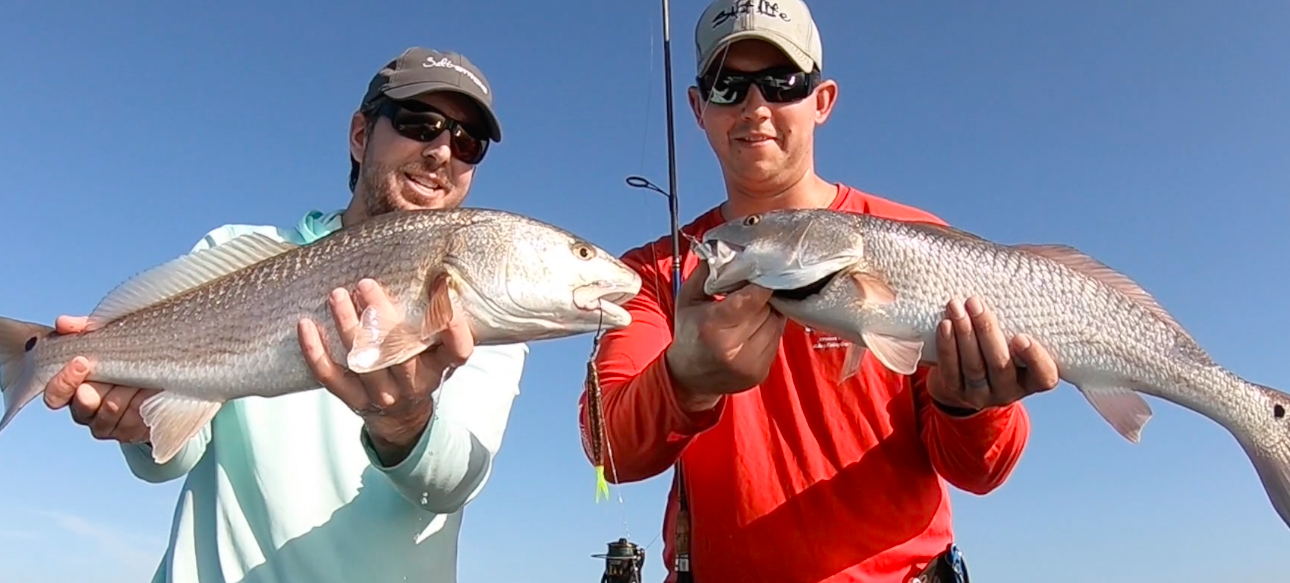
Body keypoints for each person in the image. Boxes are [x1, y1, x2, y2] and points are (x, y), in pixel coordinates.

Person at [577, 1, 1063, 582]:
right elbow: (607, 445)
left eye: (782, 84)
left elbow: (981, 472)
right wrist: (683, 379)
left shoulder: (919, 243)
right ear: (698, 108)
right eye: (727, 86)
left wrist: (971, 403)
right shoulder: (655, 272)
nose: (755, 107)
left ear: (822, 100)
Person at [41, 46, 524, 583]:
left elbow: (455, 481)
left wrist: (405, 423)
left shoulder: (485, 312)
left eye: (467, 142)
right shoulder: (237, 249)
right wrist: (134, 426)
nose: (442, 152)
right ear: (360, 136)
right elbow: (170, 455)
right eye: (419, 123)